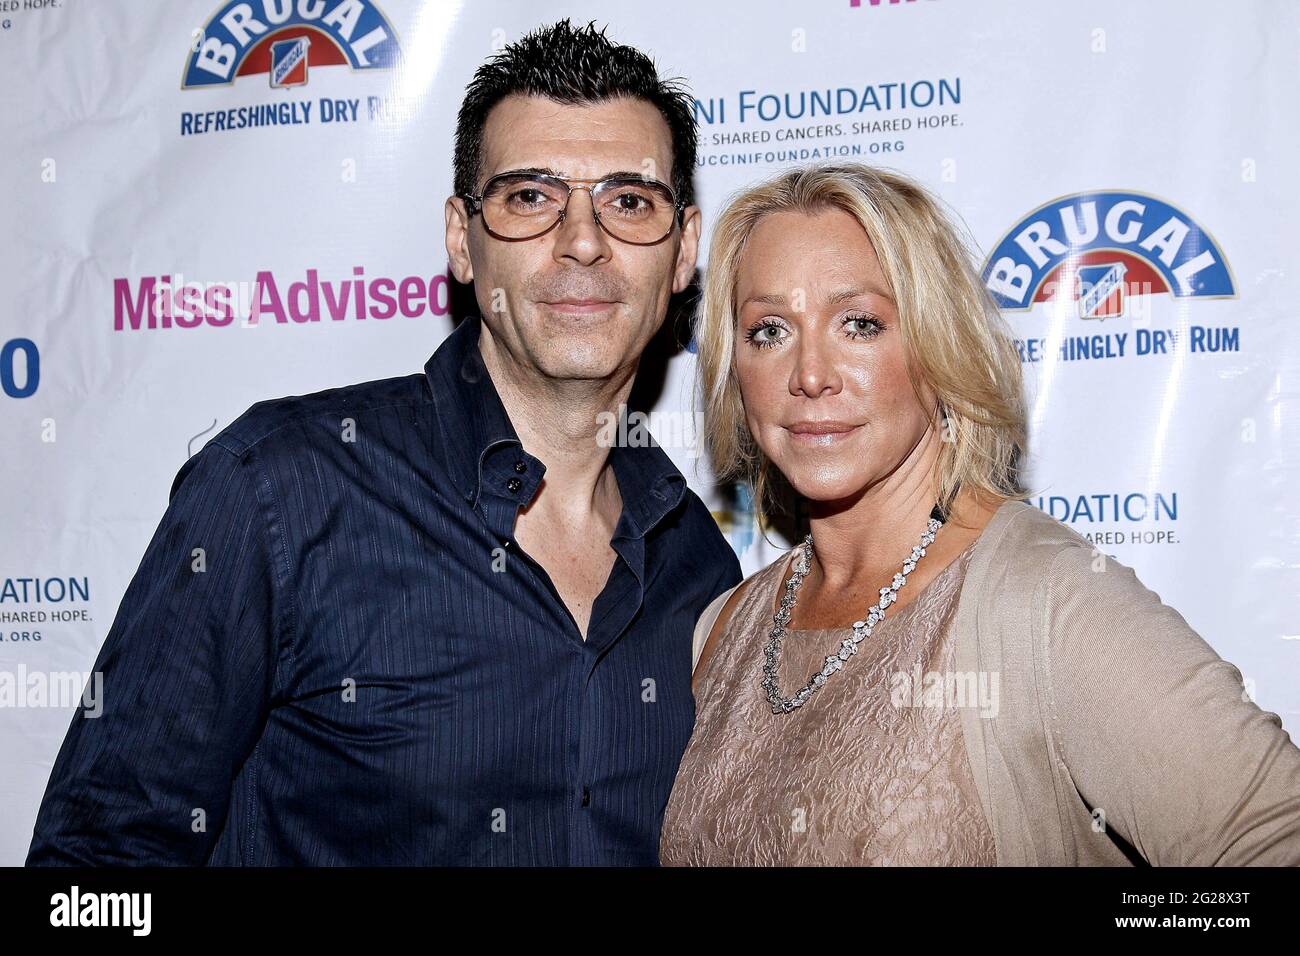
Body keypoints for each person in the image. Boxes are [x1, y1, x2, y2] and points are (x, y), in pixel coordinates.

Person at [28, 19, 741, 866]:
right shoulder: (280, 489)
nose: (582, 241)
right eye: (529, 197)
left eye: (629, 201)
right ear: (460, 240)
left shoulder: (700, 569)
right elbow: (95, 867)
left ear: (684, 248)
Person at [659, 162, 1300, 866]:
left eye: (860, 323)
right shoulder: (724, 629)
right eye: (769, 331)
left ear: (938, 348)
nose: (810, 374)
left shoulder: (1042, 599)